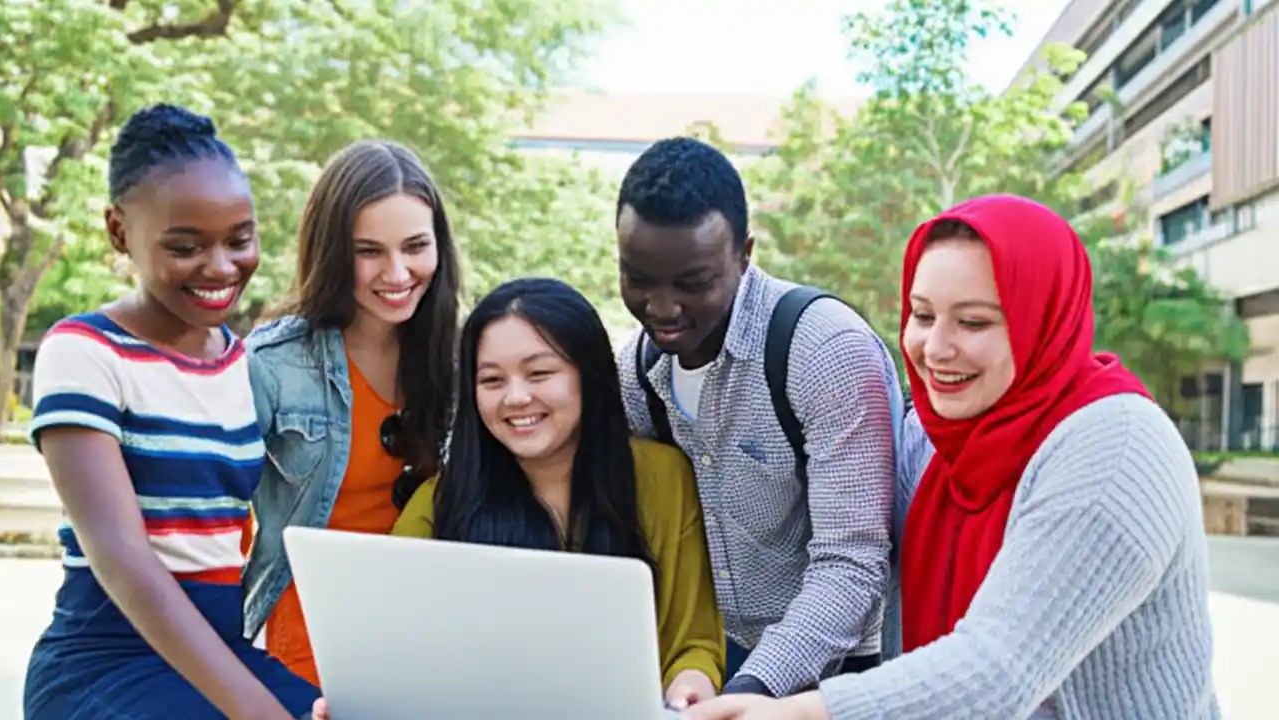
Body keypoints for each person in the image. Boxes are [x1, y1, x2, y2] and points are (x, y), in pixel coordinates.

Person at [685, 194, 1220, 719]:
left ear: (1043, 320)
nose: (936, 349)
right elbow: (847, 561)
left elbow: (999, 670)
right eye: (922, 315)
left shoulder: (1116, 445)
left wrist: (805, 712)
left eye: (974, 323)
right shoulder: (928, 436)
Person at [22, 104, 318, 719]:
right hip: (104, 661)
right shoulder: (84, 351)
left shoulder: (245, 363)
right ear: (119, 230)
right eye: (185, 246)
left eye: (240, 239)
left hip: (221, 649)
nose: (220, 267)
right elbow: (122, 559)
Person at [613, 137, 899, 697]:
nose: (663, 308)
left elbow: (853, 562)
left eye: (693, 283)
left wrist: (753, 691)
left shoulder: (824, 351)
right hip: (709, 666)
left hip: (839, 670)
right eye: (638, 280)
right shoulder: (635, 373)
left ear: (744, 253)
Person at [391, 277, 726, 709]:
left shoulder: (662, 479)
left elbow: (693, 642)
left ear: (588, 375)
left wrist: (689, 687)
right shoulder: (437, 506)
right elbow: (398, 652)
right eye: (491, 380)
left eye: (540, 373)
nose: (516, 397)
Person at [242, 140, 461, 685]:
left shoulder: (463, 362)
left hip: (430, 640)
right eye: (369, 251)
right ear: (332, 251)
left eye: (415, 246)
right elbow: (220, 522)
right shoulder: (272, 363)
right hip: (309, 644)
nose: (397, 272)